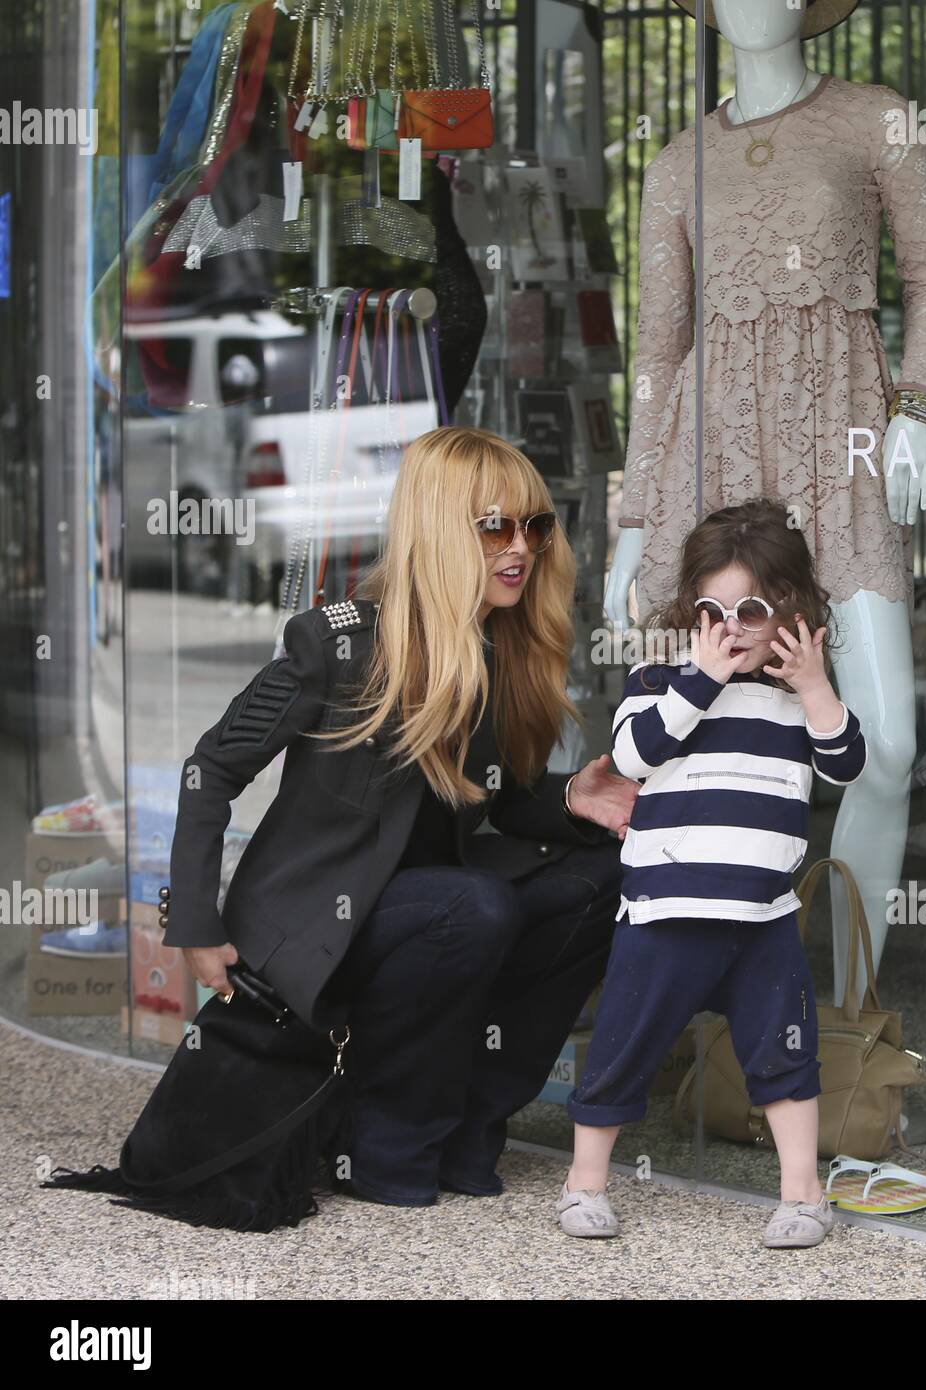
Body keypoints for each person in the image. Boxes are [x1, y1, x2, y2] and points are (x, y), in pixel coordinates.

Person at [165, 426, 637, 1207]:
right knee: (471, 906)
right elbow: (210, 766)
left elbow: (502, 800)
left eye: (535, 527)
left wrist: (571, 799)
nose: (521, 548)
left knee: (603, 880)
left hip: (427, 911)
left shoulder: (500, 645)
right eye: (496, 527)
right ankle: (385, 1138)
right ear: (443, 531)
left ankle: (470, 1124)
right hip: (324, 924)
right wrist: (194, 922)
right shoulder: (337, 646)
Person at [559, 499, 868, 1247]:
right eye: (711, 609)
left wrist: (817, 685)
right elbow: (632, 757)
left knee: (785, 1056)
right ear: (689, 610)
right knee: (622, 1048)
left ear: (790, 606)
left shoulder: (797, 702)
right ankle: (584, 1183)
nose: (730, 628)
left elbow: (849, 763)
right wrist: (695, 680)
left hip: (762, 920)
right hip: (664, 912)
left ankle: (802, 1195)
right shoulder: (659, 680)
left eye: (752, 609)